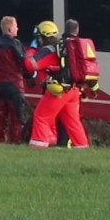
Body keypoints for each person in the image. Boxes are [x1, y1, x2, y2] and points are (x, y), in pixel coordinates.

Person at [24, 20, 73, 149]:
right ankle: (80, 146)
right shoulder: (64, 48)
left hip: (57, 89)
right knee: (71, 121)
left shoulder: (49, 50)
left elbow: (30, 65)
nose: (38, 40)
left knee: (41, 116)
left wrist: (32, 49)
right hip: (71, 89)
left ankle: (38, 144)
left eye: (38, 37)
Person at [0, 16, 28, 144]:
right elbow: (24, 63)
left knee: (1, 117)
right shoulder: (16, 44)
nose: (18, 28)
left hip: (1, 85)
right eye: (16, 26)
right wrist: (30, 76)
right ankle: (16, 142)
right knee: (17, 117)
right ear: (10, 29)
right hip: (15, 86)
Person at [55, 19, 93, 149]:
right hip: (77, 88)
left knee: (62, 118)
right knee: (74, 119)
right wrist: (93, 88)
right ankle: (80, 144)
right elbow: (89, 67)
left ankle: (63, 143)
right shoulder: (82, 46)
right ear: (77, 30)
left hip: (60, 87)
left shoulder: (59, 44)